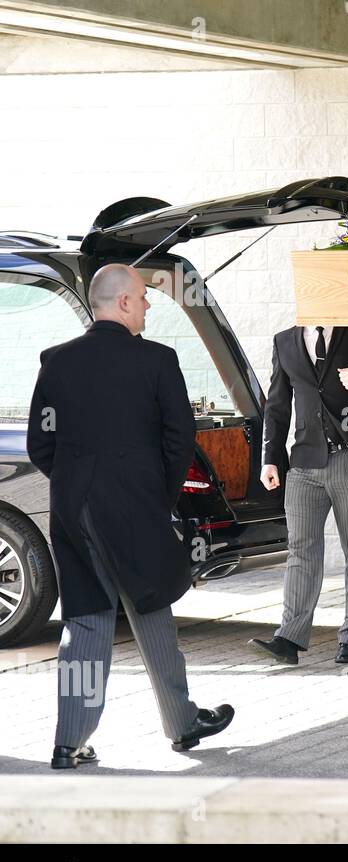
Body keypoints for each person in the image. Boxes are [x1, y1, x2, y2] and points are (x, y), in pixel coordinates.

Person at [27, 264, 234, 768]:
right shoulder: (159, 361)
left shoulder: (55, 362)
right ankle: (182, 724)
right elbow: (179, 441)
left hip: (73, 510)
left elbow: (41, 443)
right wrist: (157, 498)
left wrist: (79, 482)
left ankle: (68, 740)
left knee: (85, 620)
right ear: (121, 303)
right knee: (152, 606)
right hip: (135, 506)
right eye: (143, 297)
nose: (147, 306)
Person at [252, 322, 348, 665]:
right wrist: (270, 460)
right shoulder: (284, 341)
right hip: (304, 462)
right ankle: (290, 637)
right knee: (301, 550)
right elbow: (277, 407)